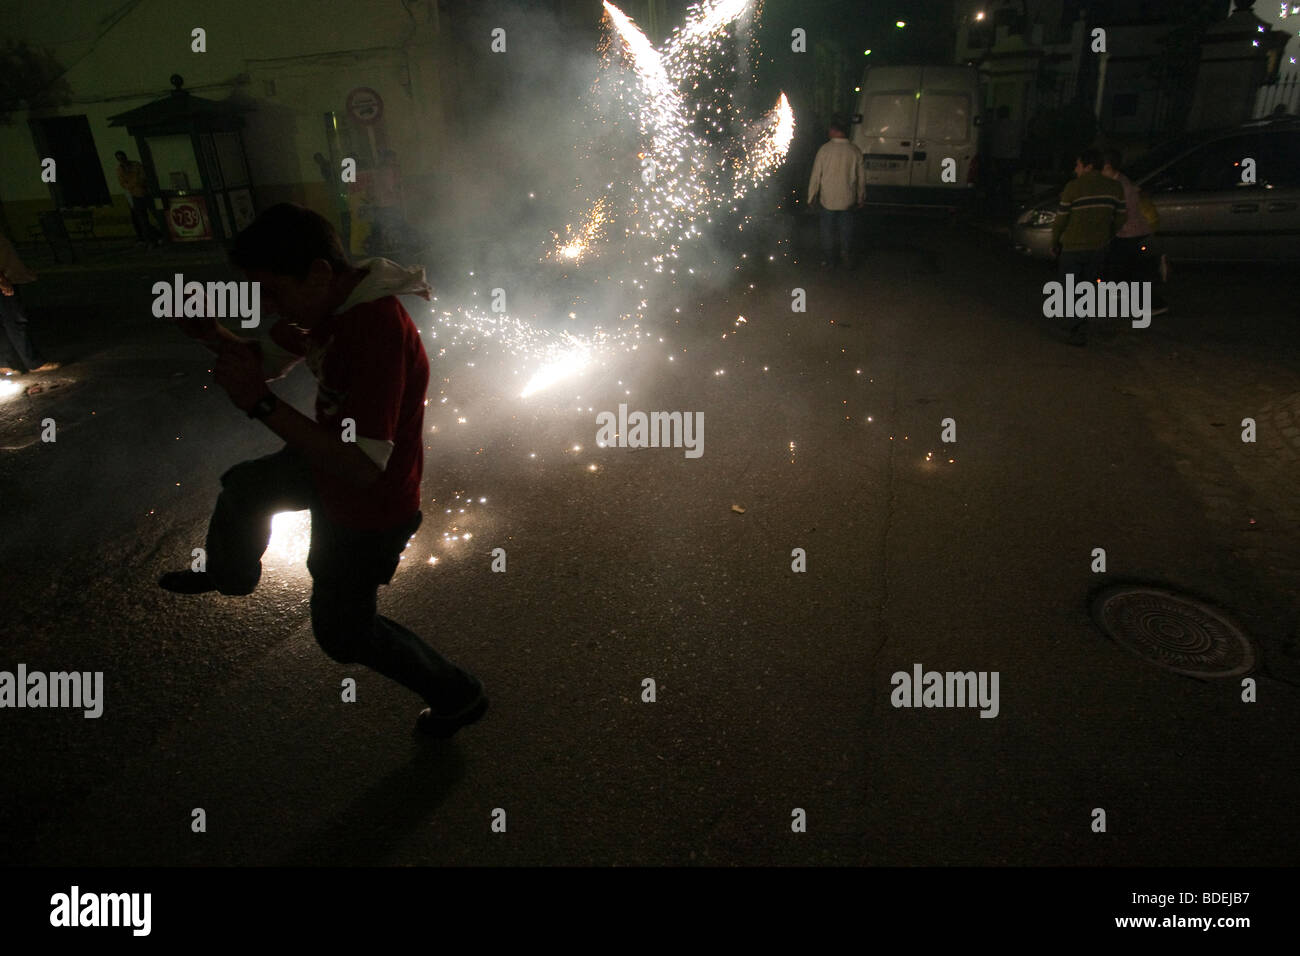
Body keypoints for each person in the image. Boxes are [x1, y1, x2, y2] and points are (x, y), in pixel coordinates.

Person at [157, 203, 487, 738]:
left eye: (273, 292)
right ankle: (229, 576)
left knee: (343, 635)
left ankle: (457, 694)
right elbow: (261, 356)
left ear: (318, 272)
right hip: (327, 462)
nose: (268, 308)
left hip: (370, 504)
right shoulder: (329, 306)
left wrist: (259, 404)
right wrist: (210, 335)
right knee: (246, 487)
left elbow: (361, 465)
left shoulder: (371, 328)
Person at [1050, 148, 1125, 346]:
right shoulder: (1114, 188)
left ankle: (1076, 325)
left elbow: (1061, 220)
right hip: (1098, 246)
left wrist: (1055, 241)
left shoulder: (1073, 188)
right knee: (1088, 285)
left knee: (1069, 287)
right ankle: (1081, 322)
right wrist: (1108, 234)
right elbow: (1121, 216)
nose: (1076, 169)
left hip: (1073, 246)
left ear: (1088, 166)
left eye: (1078, 165)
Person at [1101, 149, 1167, 316]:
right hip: (1129, 234)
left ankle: (1151, 304)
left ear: (1107, 167)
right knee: (1126, 271)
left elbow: (1122, 215)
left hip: (1131, 234)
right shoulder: (1121, 182)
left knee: (1126, 271)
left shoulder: (1122, 186)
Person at [806, 120, 865, 268]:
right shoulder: (854, 150)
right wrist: (860, 196)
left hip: (828, 198)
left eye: (830, 129)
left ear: (834, 130)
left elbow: (816, 175)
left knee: (827, 230)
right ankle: (845, 253)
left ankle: (829, 259)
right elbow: (861, 177)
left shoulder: (824, 149)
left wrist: (811, 195)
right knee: (846, 229)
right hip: (847, 198)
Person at [0, 230, 59, 375]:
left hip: (7, 277)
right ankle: (33, 362)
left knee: (5, 322)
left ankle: (5, 363)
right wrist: (1, 280)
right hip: (5, 280)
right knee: (14, 319)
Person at [115, 150, 164, 246]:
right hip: (136, 195)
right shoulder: (121, 170)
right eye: (120, 159)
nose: (122, 160)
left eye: (122, 158)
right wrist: (135, 183)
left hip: (144, 194)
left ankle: (160, 236)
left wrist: (133, 184)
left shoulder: (135, 165)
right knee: (143, 220)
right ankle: (151, 240)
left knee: (155, 215)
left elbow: (142, 177)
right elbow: (124, 183)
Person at [313, 151, 352, 254]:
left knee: (346, 214)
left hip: (341, 193)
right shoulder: (328, 166)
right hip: (340, 194)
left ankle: (348, 235)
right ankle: (347, 235)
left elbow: (333, 180)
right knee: (345, 214)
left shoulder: (328, 167)